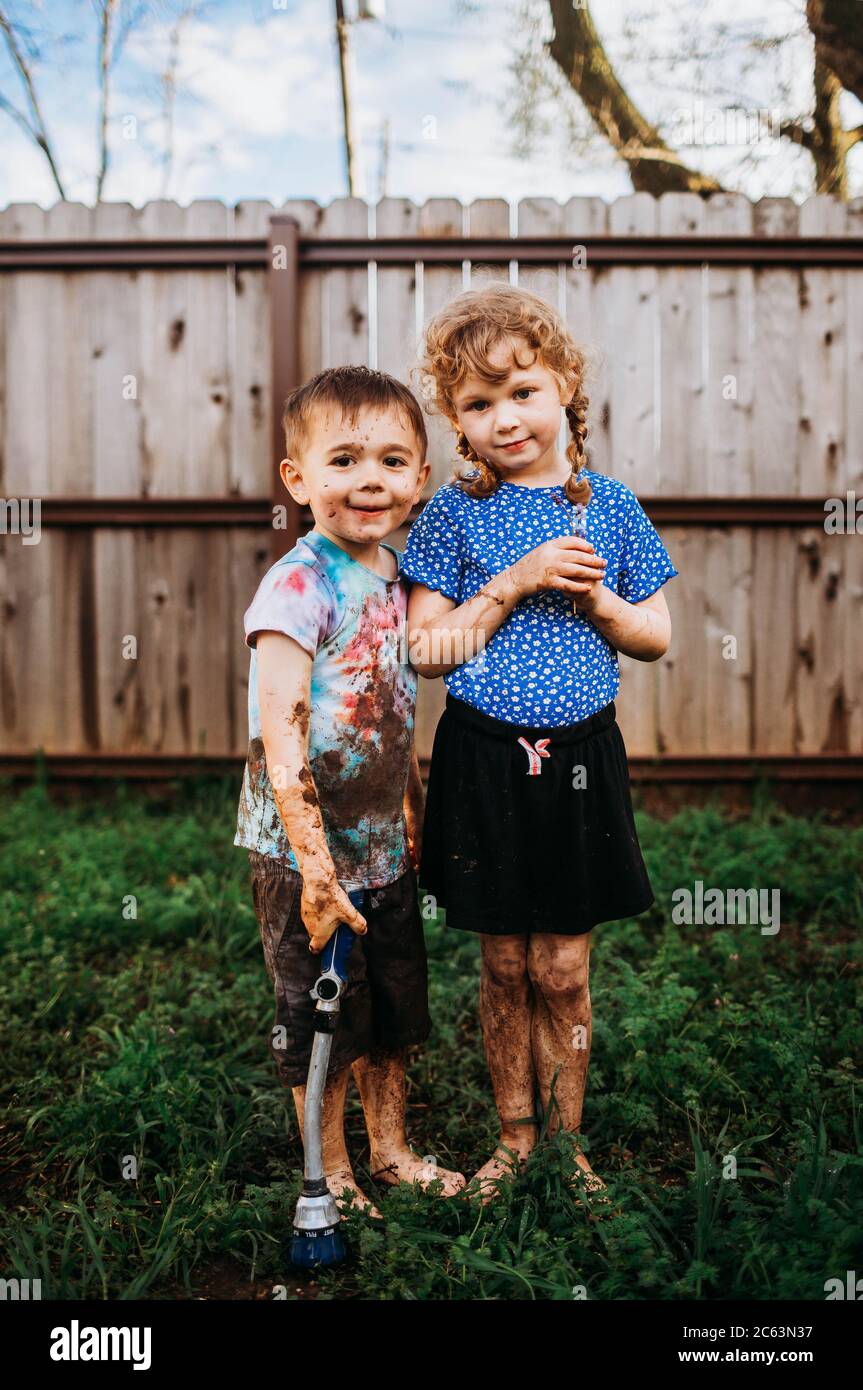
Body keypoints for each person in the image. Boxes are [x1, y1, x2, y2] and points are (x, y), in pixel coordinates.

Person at [401, 283, 679, 1202]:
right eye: (476, 405)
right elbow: (428, 648)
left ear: (564, 385)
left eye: (519, 391)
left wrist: (600, 602)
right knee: (503, 959)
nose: (503, 417)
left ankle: (569, 1145)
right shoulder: (453, 515)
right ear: (456, 422)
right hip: (482, 759)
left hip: (578, 761)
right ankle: (514, 1136)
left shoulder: (609, 505)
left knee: (562, 964)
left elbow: (657, 634)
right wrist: (516, 580)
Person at [235, 364, 466, 1217]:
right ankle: (328, 1166)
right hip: (306, 858)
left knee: (395, 1010)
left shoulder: (394, 578)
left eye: (392, 461)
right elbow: (281, 733)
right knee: (321, 1017)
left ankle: (392, 1151)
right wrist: (315, 867)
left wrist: (408, 814)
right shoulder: (297, 587)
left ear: (418, 481)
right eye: (343, 460)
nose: (369, 479)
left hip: (381, 848)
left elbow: (388, 714)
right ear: (298, 481)